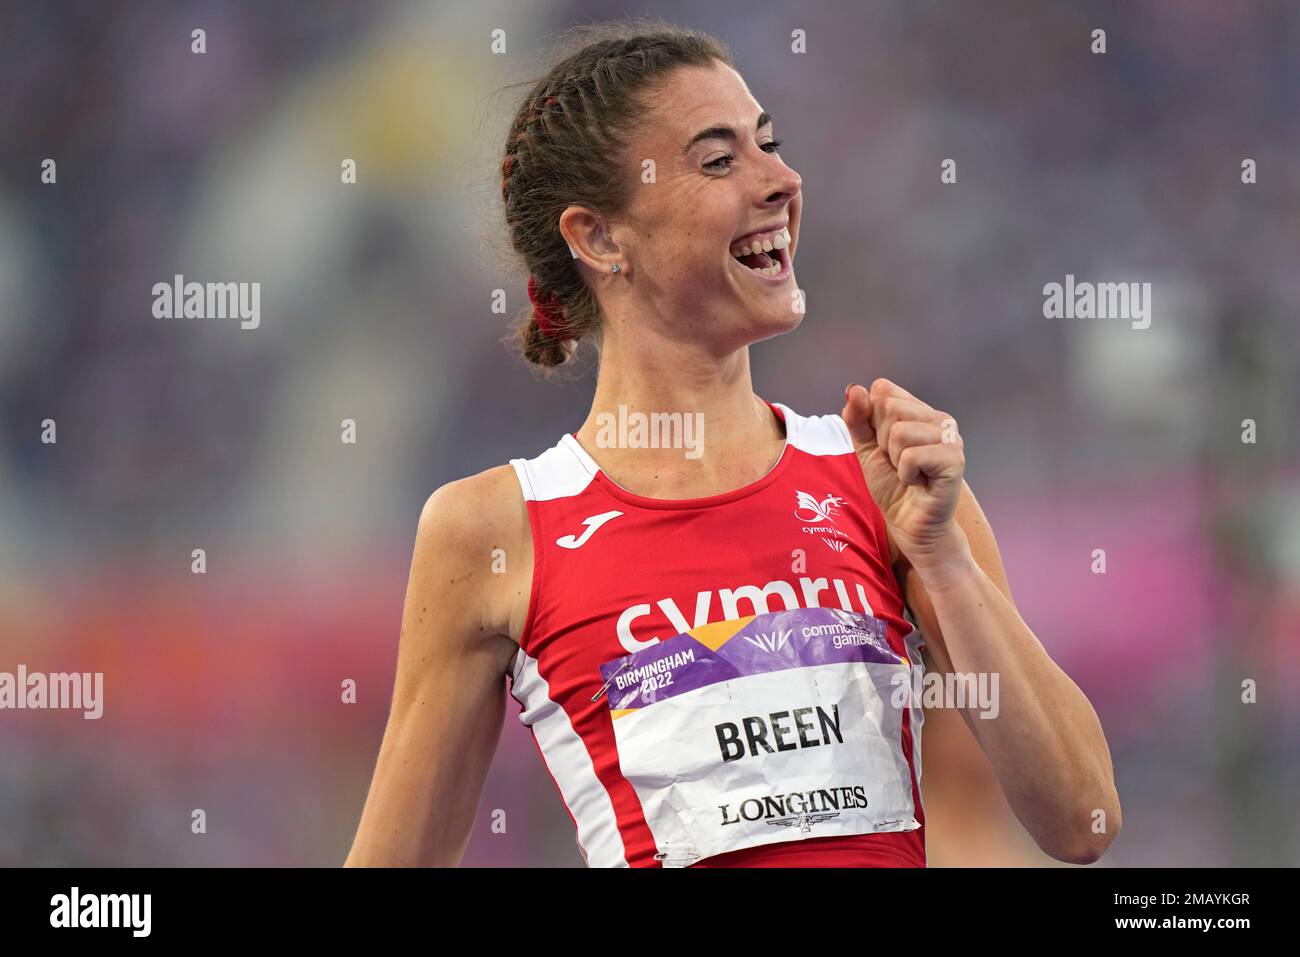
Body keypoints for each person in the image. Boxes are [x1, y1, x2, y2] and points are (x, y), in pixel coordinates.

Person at [344, 20, 1120, 868]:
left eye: (770, 145)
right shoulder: (495, 529)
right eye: (719, 161)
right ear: (599, 237)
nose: (782, 180)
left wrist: (942, 562)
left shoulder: (885, 484)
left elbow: (1082, 820)